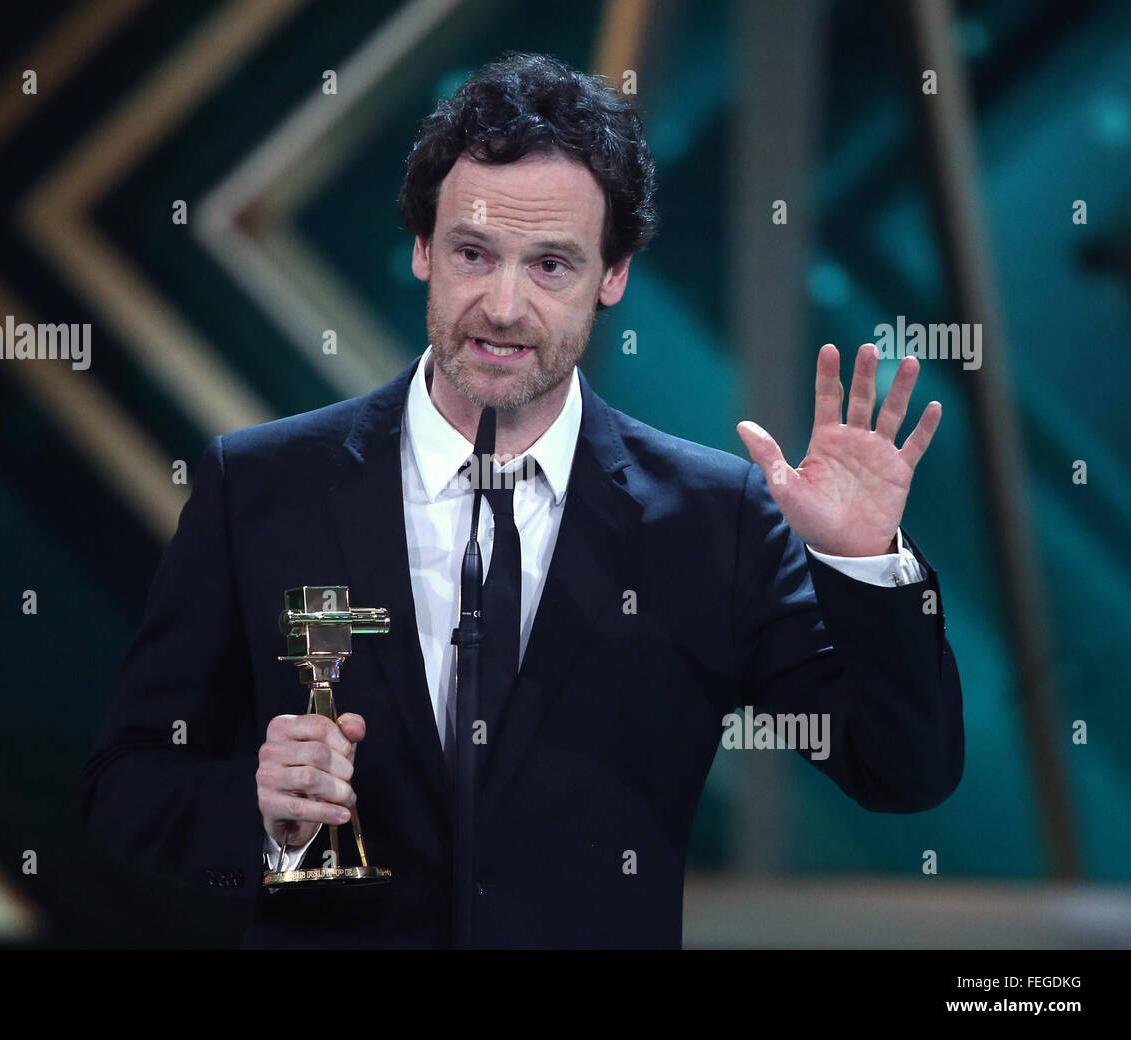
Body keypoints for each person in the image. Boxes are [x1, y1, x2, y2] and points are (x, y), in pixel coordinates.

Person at [80, 51, 963, 949]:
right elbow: (127, 782)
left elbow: (903, 774)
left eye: (551, 266)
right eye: (473, 253)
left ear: (612, 276)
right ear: (423, 248)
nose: (503, 306)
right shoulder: (263, 483)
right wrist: (264, 816)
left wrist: (863, 564)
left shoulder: (716, 516)